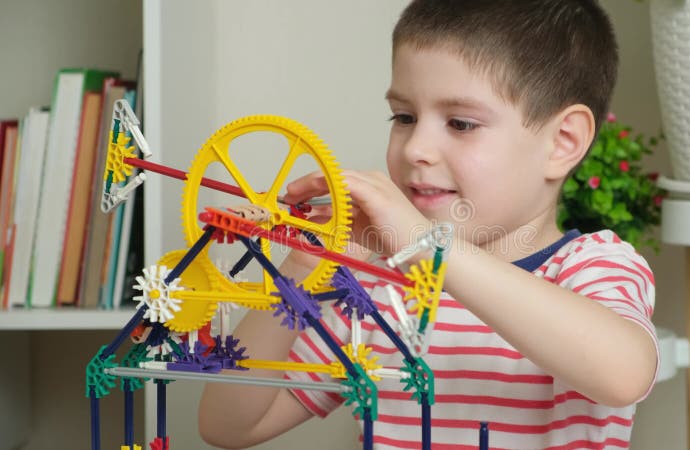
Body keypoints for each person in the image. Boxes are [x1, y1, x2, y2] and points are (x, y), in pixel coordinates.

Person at [199, 1, 658, 448]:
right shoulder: (376, 291)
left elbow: (624, 374)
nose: (416, 147)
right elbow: (228, 427)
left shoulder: (594, 265)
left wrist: (426, 244)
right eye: (404, 117)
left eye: (460, 123)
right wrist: (300, 266)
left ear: (562, 143)